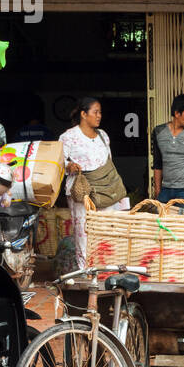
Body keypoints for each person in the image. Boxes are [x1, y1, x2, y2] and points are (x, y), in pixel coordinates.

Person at [60, 97, 129, 269]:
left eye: (100, 112)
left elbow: (109, 163)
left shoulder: (103, 136)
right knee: (84, 233)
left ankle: (107, 270)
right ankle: (86, 272)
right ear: (84, 114)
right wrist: (69, 166)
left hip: (105, 190)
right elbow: (58, 162)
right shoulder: (68, 137)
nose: (99, 116)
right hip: (82, 191)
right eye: (95, 112)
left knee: (108, 230)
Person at [151, 94, 184, 206]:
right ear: (177, 113)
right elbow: (157, 164)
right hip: (165, 191)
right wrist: (157, 192)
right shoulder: (158, 132)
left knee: (181, 223)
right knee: (162, 223)